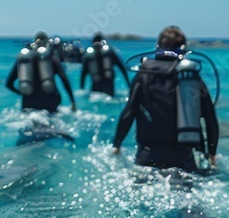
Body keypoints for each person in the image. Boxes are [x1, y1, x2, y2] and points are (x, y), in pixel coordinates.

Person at [112, 25, 219, 173]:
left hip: (148, 155)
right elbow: (210, 118)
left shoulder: (144, 74)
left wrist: (116, 145)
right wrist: (212, 153)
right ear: (183, 48)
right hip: (183, 156)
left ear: (157, 46)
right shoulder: (190, 77)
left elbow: (129, 111)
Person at [5, 31, 77, 113]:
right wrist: (73, 101)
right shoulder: (52, 59)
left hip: (29, 103)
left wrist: (23, 93)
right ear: (47, 42)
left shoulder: (24, 60)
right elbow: (64, 80)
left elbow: (8, 84)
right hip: (50, 102)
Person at [80, 32, 131, 97]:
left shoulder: (88, 56)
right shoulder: (110, 53)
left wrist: (81, 89)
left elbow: (83, 74)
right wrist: (129, 86)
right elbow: (122, 68)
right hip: (109, 87)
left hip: (95, 87)